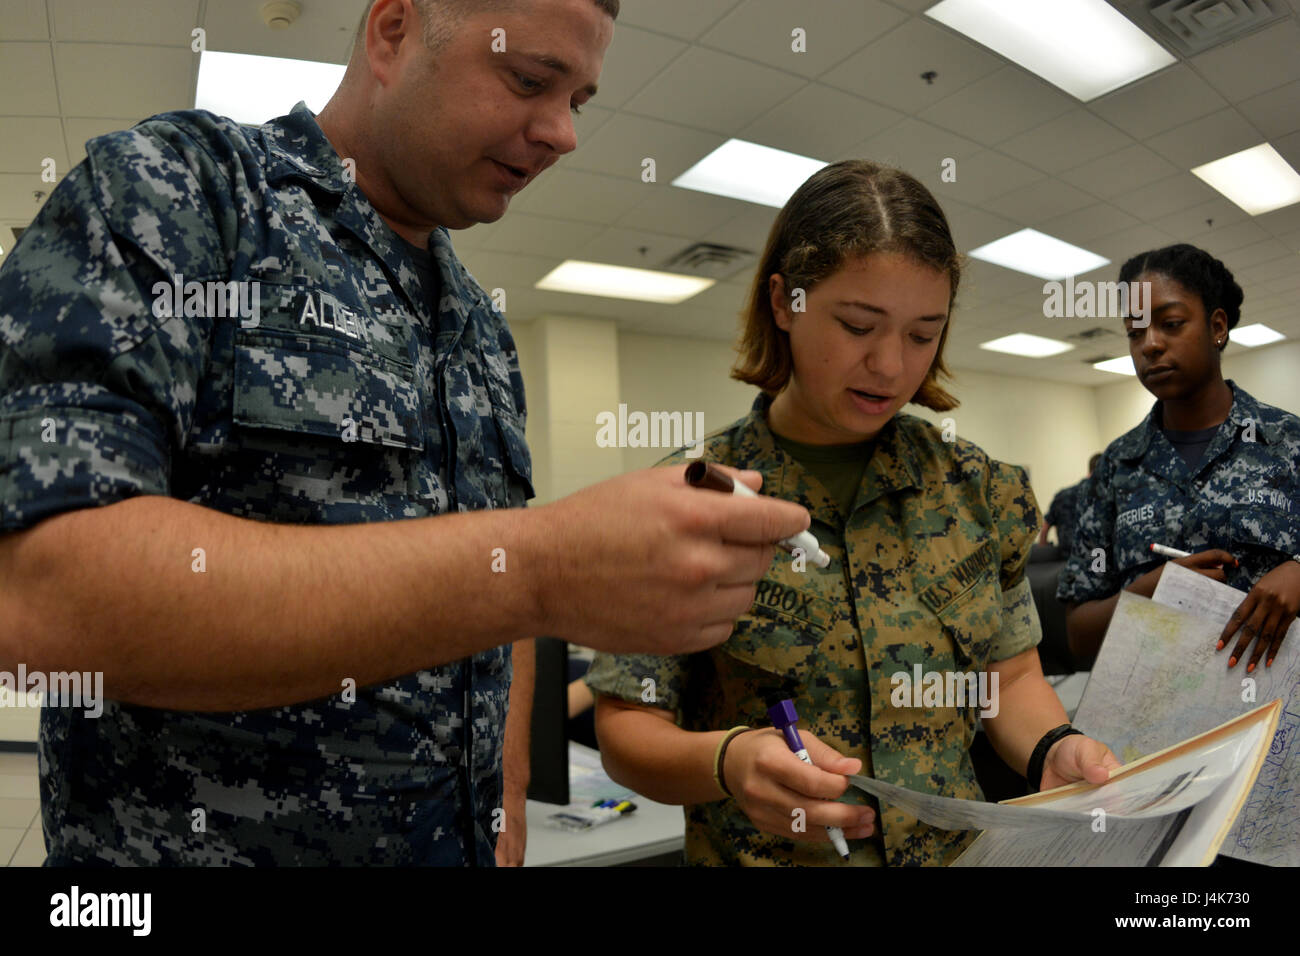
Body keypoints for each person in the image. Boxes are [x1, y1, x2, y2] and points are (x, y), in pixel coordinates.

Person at [0, 0, 812, 867]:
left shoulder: (479, 329)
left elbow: (498, 624)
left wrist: (504, 808)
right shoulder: (182, 193)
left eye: (578, 101)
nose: (562, 135)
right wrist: (541, 567)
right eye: (531, 80)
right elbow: (37, 603)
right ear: (393, 31)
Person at [584, 160, 1120, 867]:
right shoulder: (693, 498)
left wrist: (1054, 746)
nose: (892, 366)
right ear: (785, 303)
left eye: (923, 334)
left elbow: (1009, 678)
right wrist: (730, 761)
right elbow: (627, 723)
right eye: (859, 324)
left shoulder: (975, 490)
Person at [1059, 244, 1300, 672]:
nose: (1150, 344)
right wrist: (1147, 593)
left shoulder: (1286, 442)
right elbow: (1078, 635)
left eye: (1170, 324)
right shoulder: (1116, 467)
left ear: (1217, 326)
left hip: (1280, 720)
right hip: (1154, 720)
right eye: (1135, 332)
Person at [1038, 453, 1101, 552]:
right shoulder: (1104, 495)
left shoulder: (1063, 495)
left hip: (1066, 560)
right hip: (1096, 559)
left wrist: (1042, 552)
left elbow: (1045, 527)